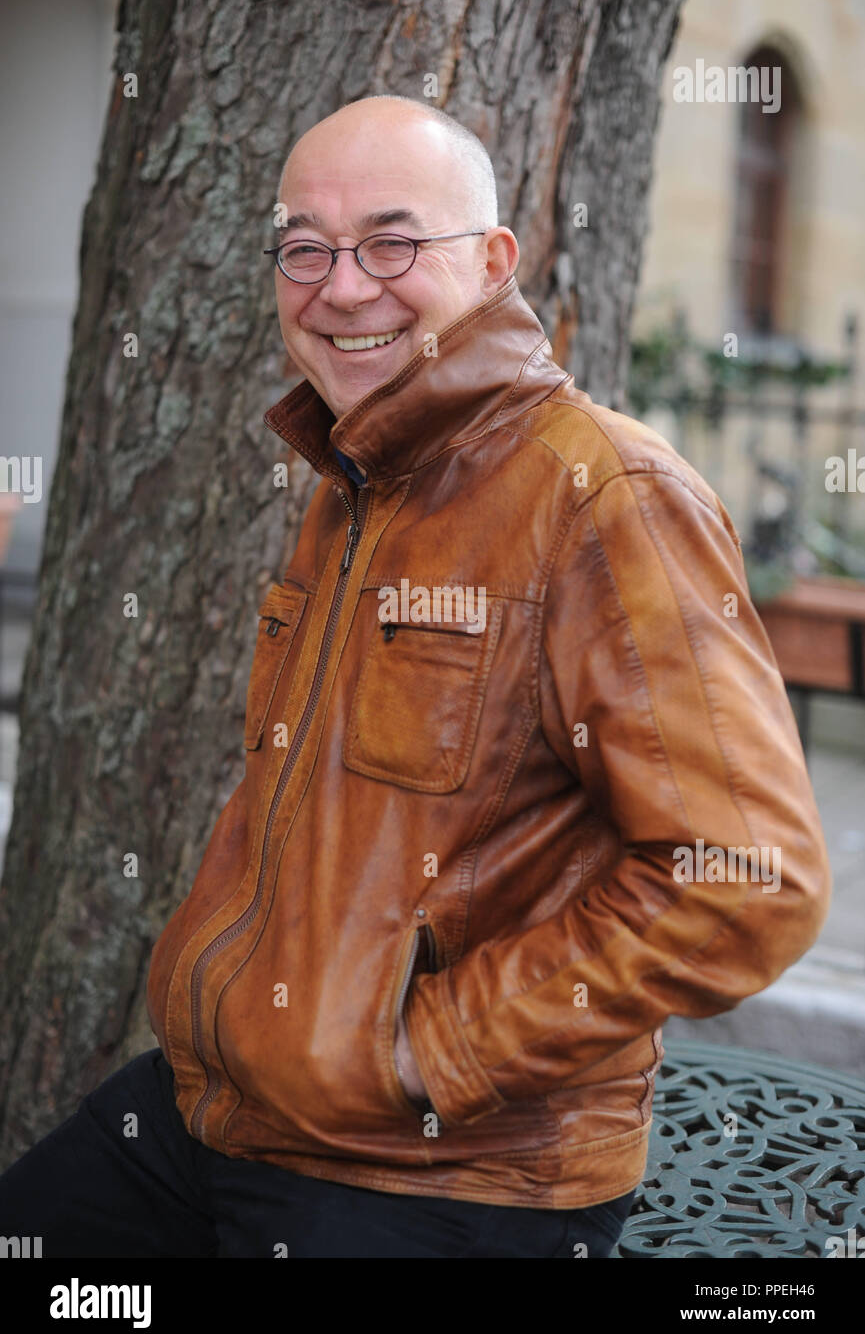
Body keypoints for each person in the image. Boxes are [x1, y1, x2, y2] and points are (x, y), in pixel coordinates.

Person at [0, 95, 831, 1259]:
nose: (343, 286)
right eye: (306, 247)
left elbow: (746, 877)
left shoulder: (602, 495)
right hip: (217, 1117)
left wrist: (421, 1056)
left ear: (493, 261)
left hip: (448, 1176)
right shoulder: (356, 474)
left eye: (393, 242)